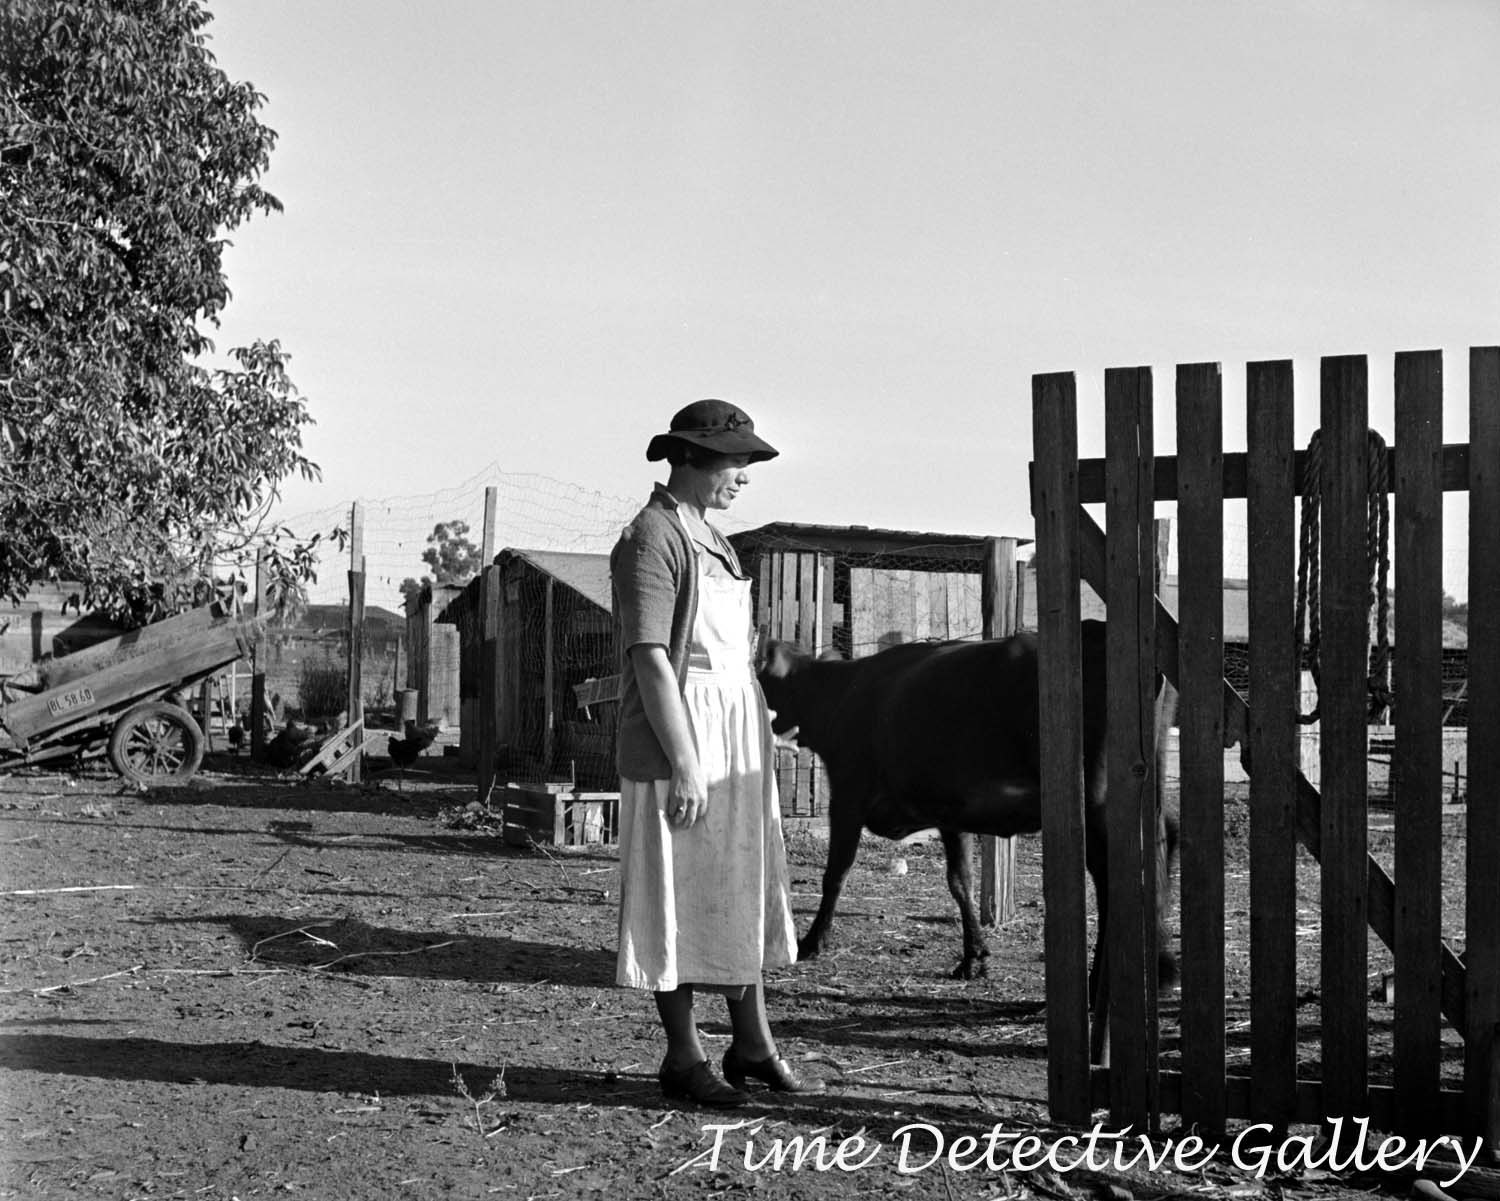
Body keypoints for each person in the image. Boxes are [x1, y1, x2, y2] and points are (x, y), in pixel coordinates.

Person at [610, 399, 823, 1107]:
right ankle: (682, 1053)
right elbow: (650, 659)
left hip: (734, 731)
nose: (745, 475)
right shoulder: (652, 537)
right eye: (736, 461)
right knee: (675, 890)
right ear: (693, 457)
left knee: (737, 882)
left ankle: (753, 1043)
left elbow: (733, 656)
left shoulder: (716, 540)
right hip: (683, 735)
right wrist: (686, 759)